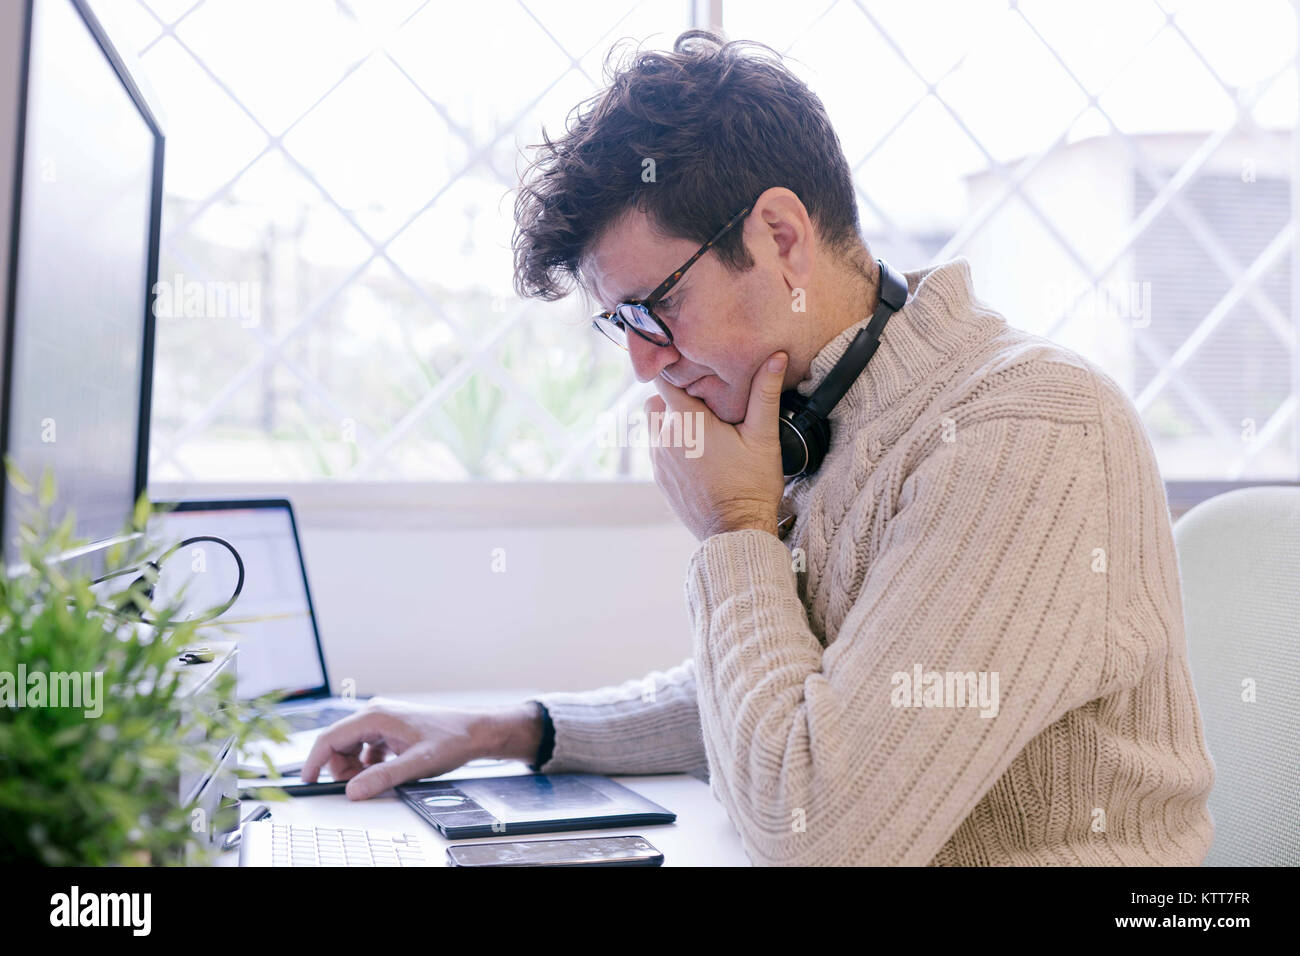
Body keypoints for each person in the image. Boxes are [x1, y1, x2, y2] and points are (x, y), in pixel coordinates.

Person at [302, 29, 1215, 866]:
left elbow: (816, 832)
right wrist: (510, 728)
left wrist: (736, 530)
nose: (642, 365)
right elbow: (792, 705)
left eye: (654, 308)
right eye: (618, 323)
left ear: (779, 237)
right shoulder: (830, 405)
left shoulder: (1024, 432)